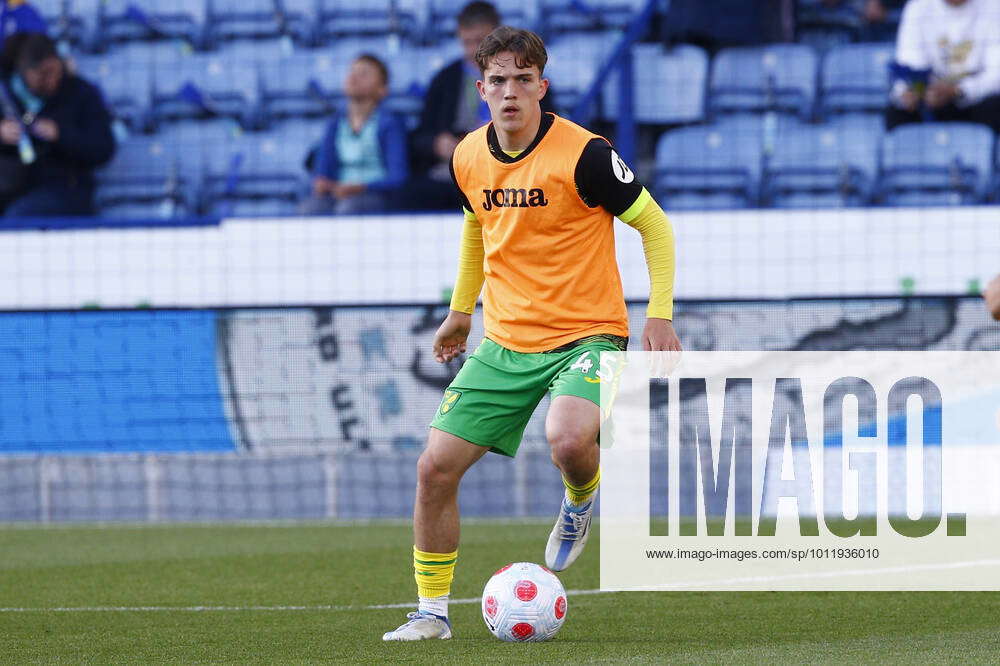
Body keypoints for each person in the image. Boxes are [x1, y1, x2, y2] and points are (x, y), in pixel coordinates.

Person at [382, 26, 680, 641]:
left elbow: (656, 228)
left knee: (569, 441)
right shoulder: (467, 155)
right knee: (434, 469)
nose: (511, 91)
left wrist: (660, 314)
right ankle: (431, 613)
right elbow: (475, 228)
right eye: (498, 81)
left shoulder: (586, 154)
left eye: (523, 79)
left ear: (541, 86)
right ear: (481, 90)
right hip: (506, 340)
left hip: (589, 334)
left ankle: (579, 500)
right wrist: (462, 310)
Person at [403, 1, 556, 211]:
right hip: (455, 171)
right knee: (413, 193)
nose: (474, 51)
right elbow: (420, 136)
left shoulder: (526, 74)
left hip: (512, 170)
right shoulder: (444, 79)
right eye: (467, 42)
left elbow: (548, 127)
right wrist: (437, 143)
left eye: (480, 41)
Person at [0, 32, 114, 217]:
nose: (52, 80)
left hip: (66, 189)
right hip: (12, 185)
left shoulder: (82, 94)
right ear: (24, 72)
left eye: (55, 72)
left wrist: (60, 135)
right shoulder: (6, 94)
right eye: (43, 75)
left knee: (18, 218)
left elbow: (103, 149)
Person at [304, 53, 408, 215]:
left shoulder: (390, 123)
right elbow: (323, 169)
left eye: (364, 73)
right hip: (339, 193)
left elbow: (398, 177)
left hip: (377, 195)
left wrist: (361, 187)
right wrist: (323, 183)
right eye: (352, 71)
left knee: (348, 209)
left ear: (382, 90)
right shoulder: (335, 123)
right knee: (311, 208)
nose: (354, 77)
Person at [886, 0, 1000, 133]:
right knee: (897, 113)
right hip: (930, 99)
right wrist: (912, 92)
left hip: (975, 99)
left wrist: (958, 90)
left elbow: (996, 74)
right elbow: (909, 64)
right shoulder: (918, 8)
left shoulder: (994, 6)